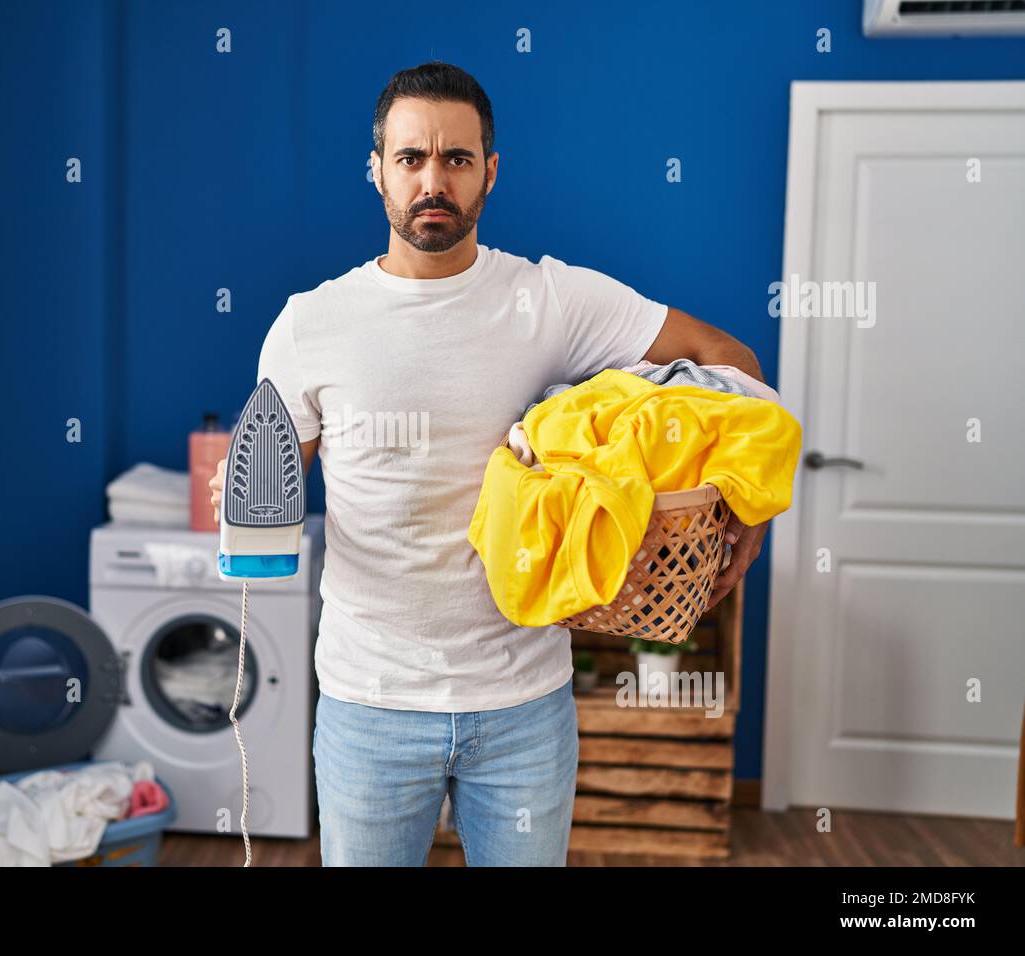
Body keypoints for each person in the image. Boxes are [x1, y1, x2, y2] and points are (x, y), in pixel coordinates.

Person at [209, 61, 767, 866]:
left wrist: (745, 503)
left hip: (524, 707)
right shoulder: (310, 326)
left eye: (457, 159)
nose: (433, 181)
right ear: (377, 169)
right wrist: (246, 506)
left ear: (490, 171)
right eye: (411, 158)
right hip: (370, 705)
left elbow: (728, 358)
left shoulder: (553, 303)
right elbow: (269, 497)